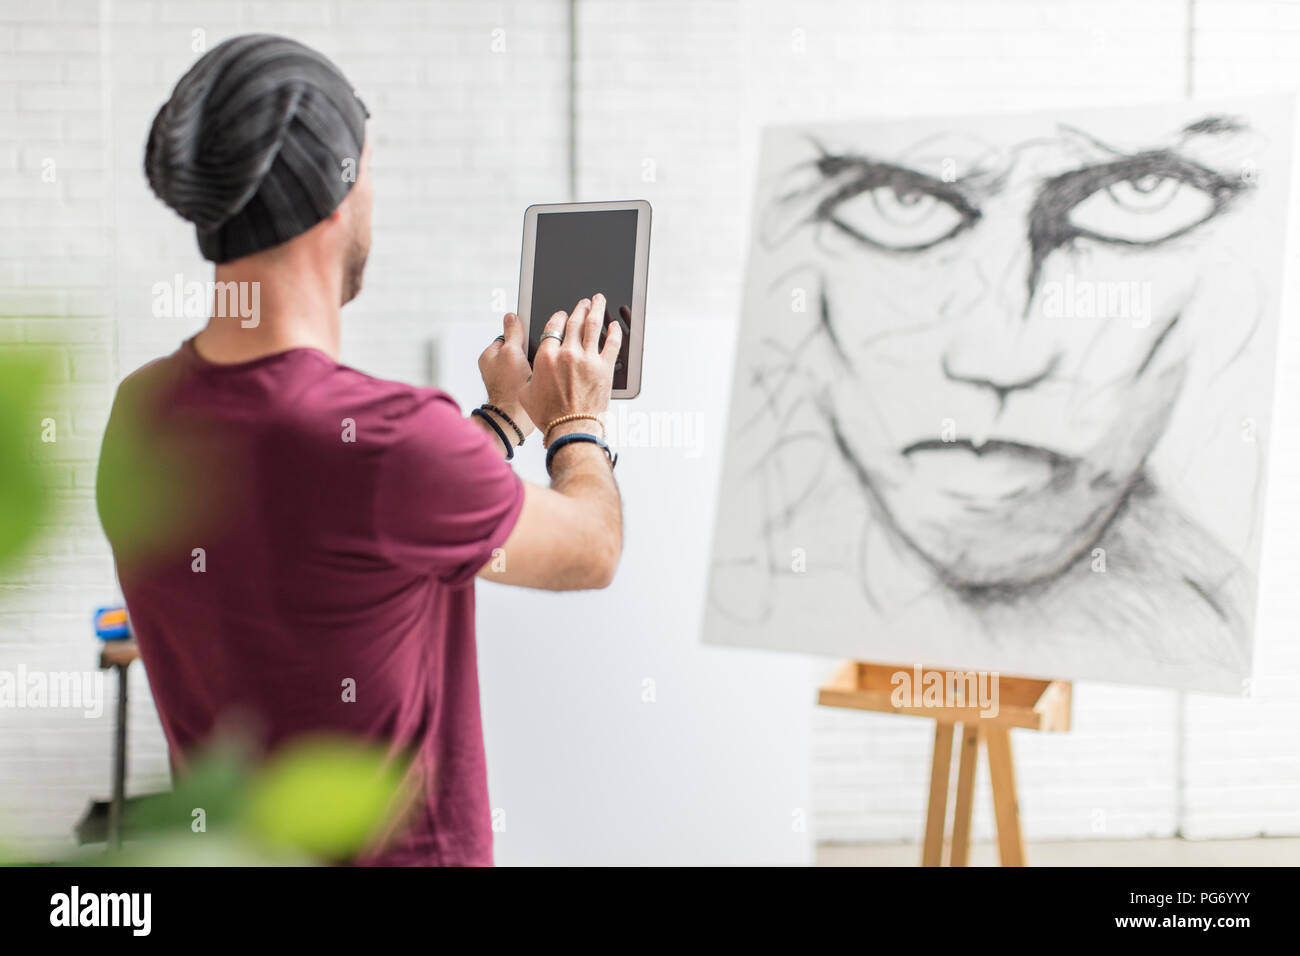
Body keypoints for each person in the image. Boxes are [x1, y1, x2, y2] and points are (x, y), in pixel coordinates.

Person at [96, 34, 623, 866]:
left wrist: (501, 422)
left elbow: (354, 538)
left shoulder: (142, 415)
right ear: (338, 198)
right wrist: (576, 421)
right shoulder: (392, 440)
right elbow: (592, 550)